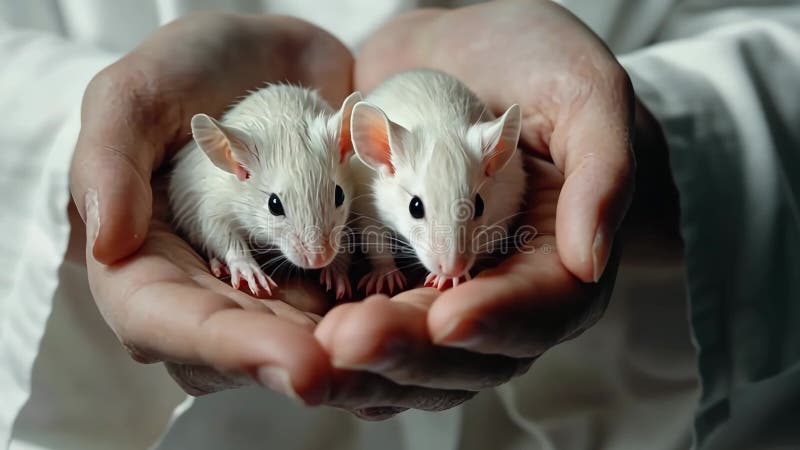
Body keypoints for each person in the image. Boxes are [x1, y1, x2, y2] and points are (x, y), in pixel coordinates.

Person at [1, 1, 798, 449]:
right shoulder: (272, 168)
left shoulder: (457, 168)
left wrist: (647, 154)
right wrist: (85, 150)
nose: (317, 249)